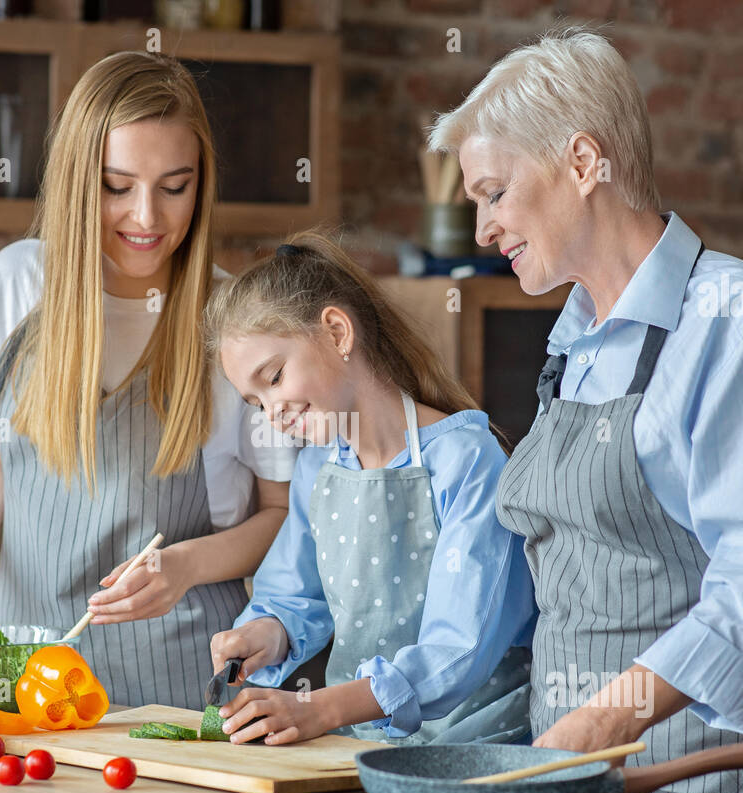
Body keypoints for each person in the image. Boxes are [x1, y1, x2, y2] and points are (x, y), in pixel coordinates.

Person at [428, 27, 743, 793]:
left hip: (725, 787)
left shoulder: (737, 321)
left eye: (494, 192)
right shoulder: (573, 339)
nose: (483, 229)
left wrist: (599, 721)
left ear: (584, 163)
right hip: (588, 781)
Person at [0, 52, 297, 710]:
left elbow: (283, 515)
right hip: (23, 696)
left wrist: (186, 565)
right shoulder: (15, 286)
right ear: (80, 180)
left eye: (175, 186)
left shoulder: (233, 328)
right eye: (117, 185)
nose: (147, 217)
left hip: (181, 700)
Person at [205, 231, 535, 745]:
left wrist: (320, 708)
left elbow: (459, 649)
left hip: (476, 750)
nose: (272, 414)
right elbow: (295, 595)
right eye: (254, 402)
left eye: (273, 378)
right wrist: (265, 634)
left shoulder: (467, 460)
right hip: (360, 747)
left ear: (337, 332)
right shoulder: (318, 468)